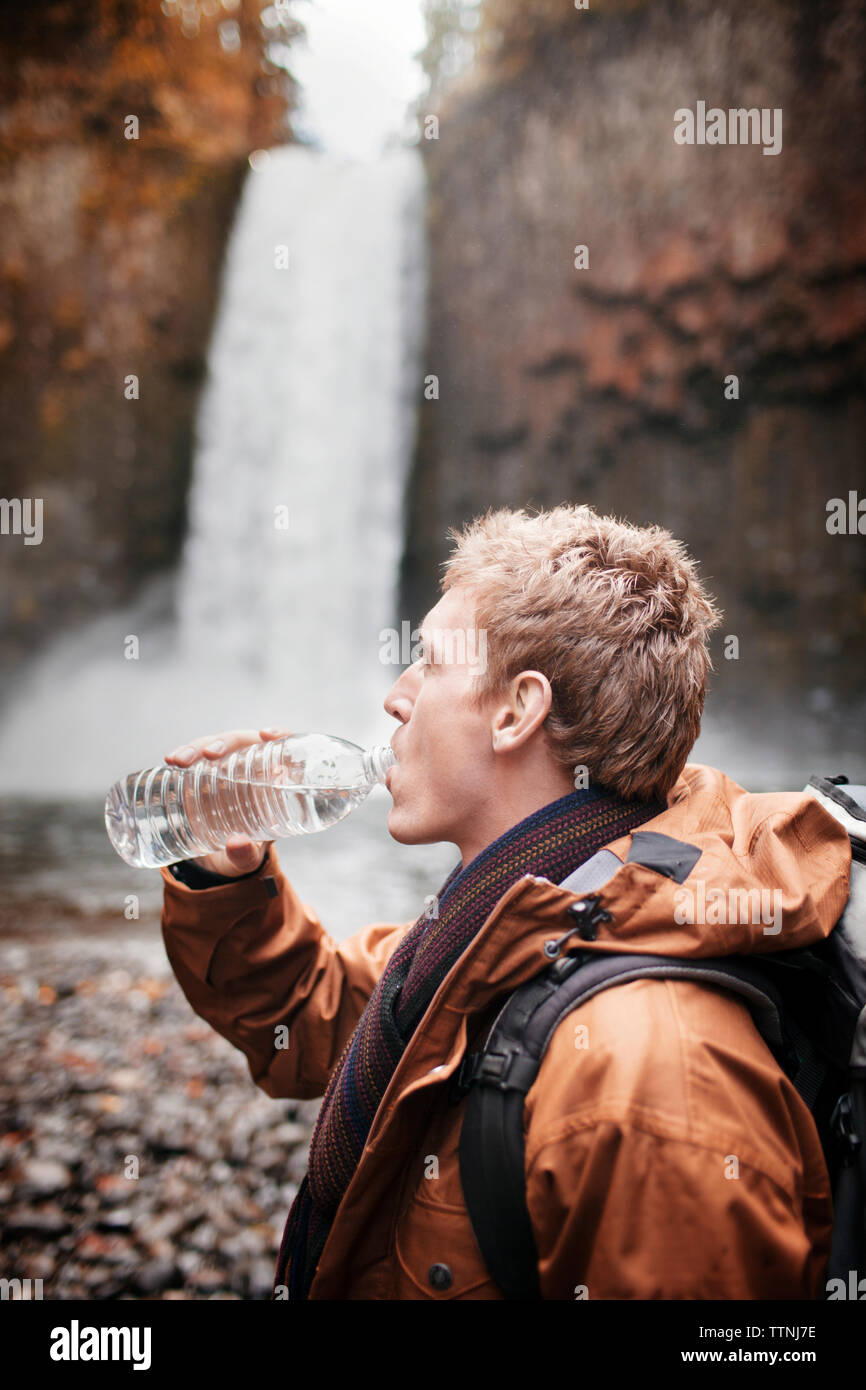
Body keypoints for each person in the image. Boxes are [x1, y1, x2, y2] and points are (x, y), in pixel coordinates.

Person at [160, 504, 851, 1300]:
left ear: (518, 709)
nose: (395, 695)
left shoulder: (652, 1082)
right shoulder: (518, 918)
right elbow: (313, 1020)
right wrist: (224, 877)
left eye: (428, 662)